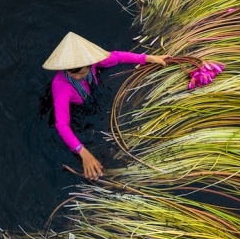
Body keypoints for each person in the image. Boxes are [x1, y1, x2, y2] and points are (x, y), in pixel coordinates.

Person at [43, 31, 166, 180]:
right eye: (72, 74)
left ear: (90, 64)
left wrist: (148, 58)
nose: (77, 77)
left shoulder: (93, 62)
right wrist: (83, 152)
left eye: (82, 73)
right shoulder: (61, 86)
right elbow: (62, 125)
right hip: (80, 109)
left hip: (94, 95)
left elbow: (118, 57)